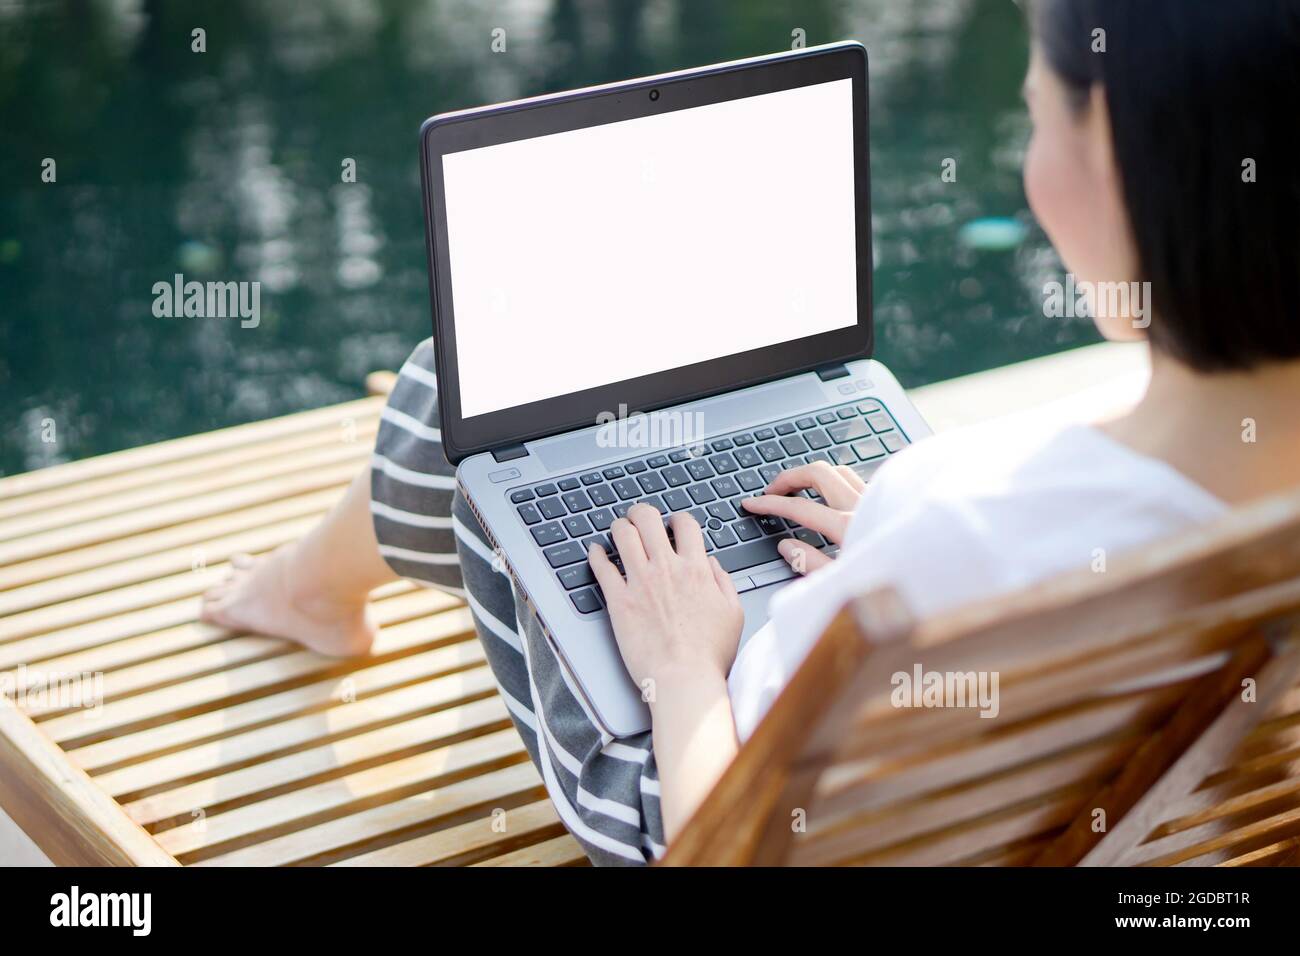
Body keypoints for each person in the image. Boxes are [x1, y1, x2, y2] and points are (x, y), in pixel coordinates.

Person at [201, 0, 1300, 864]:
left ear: (1113, 152)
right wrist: (906, 552)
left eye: (1036, 114)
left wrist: (683, 665)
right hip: (1100, 820)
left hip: (693, 796)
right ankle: (318, 587)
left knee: (467, 414)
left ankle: (308, 593)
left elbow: (716, 844)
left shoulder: (960, 522)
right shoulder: (1001, 528)